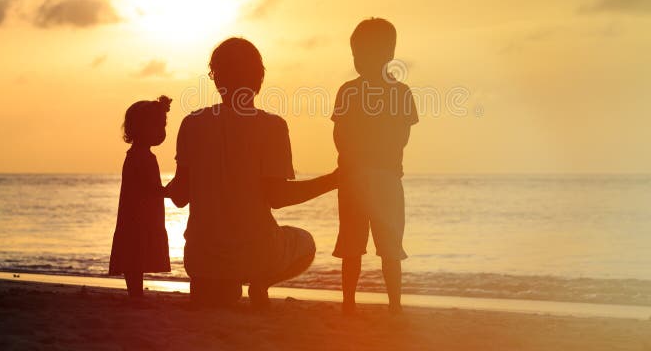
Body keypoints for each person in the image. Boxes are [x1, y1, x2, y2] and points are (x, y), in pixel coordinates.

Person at [167, 38, 338, 309]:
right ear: (258, 78)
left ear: (216, 78)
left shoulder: (192, 122)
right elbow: (279, 196)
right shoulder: (272, 126)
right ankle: (259, 284)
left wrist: (153, 186)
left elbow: (179, 197)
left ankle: (222, 283)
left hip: (201, 260)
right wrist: (333, 180)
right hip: (256, 255)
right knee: (305, 242)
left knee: (220, 295)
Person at [332, 18, 419, 315]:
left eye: (359, 54)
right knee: (389, 247)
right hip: (387, 177)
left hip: (355, 177)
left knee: (351, 247)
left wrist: (353, 158)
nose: (357, 61)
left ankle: (349, 304)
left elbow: (339, 136)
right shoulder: (401, 92)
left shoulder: (348, 91)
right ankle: (394, 304)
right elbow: (402, 137)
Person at [109, 95, 173, 298]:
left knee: (135, 254)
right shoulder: (142, 157)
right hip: (139, 216)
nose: (162, 132)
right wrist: (170, 190)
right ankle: (135, 294)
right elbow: (151, 189)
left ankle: (135, 293)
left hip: (137, 215)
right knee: (135, 253)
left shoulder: (138, 155)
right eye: (158, 127)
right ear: (142, 129)